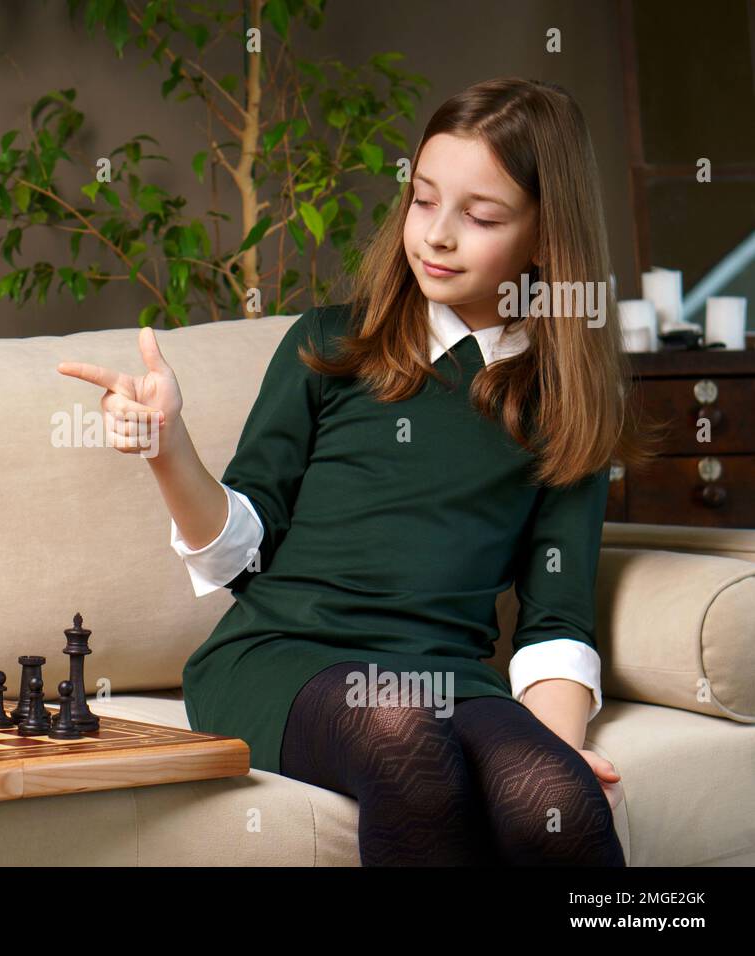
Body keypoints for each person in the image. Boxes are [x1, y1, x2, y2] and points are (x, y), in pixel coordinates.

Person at [56, 77, 661, 866]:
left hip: (448, 681)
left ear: (547, 238)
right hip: (282, 659)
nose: (437, 236)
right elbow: (237, 553)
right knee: (403, 738)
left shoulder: (569, 403)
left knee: (556, 799)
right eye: (422, 200)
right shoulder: (330, 346)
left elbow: (555, 624)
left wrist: (551, 756)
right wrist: (170, 449)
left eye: (478, 217)